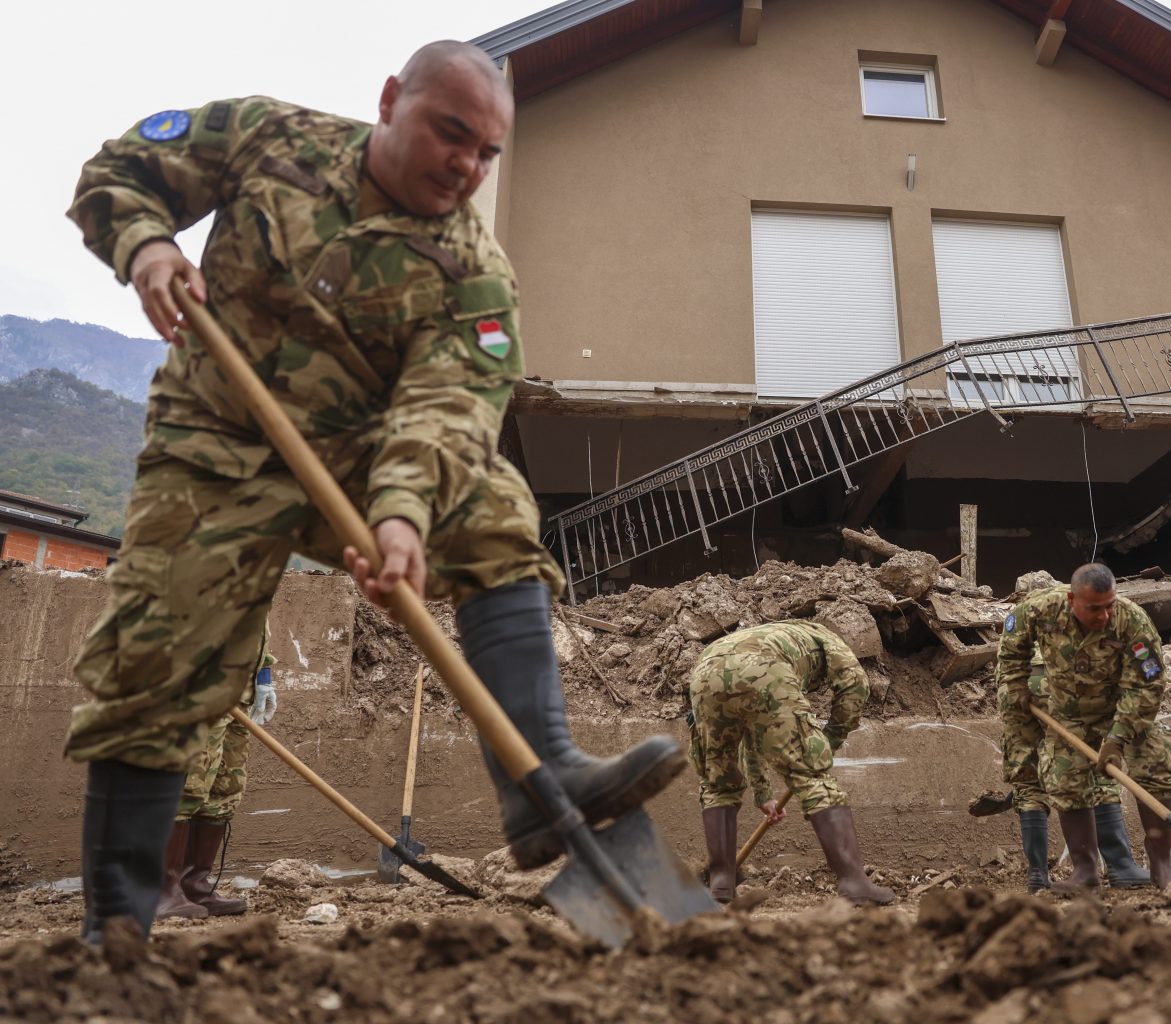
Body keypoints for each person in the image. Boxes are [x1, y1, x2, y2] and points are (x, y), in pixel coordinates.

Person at [64, 40, 682, 943]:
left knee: (496, 511)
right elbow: (121, 170)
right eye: (451, 135)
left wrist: (402, 516)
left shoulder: (472, 268)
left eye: (487, 154)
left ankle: (541, 786)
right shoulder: (268, 136)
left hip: (360, 455)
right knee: (155, 660)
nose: (466, 167)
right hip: (214, 443)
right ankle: (112, 939)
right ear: (391, 100)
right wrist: (147, 241)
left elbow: (448, 409)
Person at [997, 564, 1171, 889]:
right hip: (1068, 716)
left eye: (1109, 605)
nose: (1105, 615)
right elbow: (1013, 643)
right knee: (1064, 779)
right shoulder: (1041, 608)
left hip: (1120, 712)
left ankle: (1162, 867)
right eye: (1095, 608)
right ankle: (1085, 872)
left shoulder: (1132, 620)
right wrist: (1017, 686)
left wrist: (1118, 738)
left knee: (1157, 758)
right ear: (1072, 599)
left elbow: (1147, 684)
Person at [687, 621, 893, 906]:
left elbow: (752, 731)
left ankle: (722, 880)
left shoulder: (775, 636)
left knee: (718, 780)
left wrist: (763, 795)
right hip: (765, 672)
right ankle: (854, 882)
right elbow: (855, 686)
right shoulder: (827, 638)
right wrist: (829, 740)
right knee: (811, 777)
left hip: (705, 674)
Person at [993, 646, 1152, 891]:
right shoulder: (1093, 610)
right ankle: (1121, 866)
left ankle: (1037, 874)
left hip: (1010, 682)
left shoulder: (1020, 613)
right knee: (1095, 768)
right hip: (1055, 677)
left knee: (1027, 777)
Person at [156, 620, 276, 920]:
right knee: (186, 784)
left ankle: (193, 884)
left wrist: (263, 676)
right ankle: (161, 891)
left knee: (224, 789)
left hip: (238, 694)